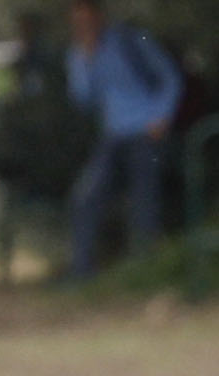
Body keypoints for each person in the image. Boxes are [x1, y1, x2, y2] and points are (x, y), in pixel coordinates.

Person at [62, 0, 178, 281]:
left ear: (98, 16)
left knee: (143, 200)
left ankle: (146, 268)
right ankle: (82, 270)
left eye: (87, 18)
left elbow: (170, 76)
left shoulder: (130, 41)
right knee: (86, 197)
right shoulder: (78, 54)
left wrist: (162, 115)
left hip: (145, 131)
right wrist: (86, 61)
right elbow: (83, 100)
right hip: (113, 133)